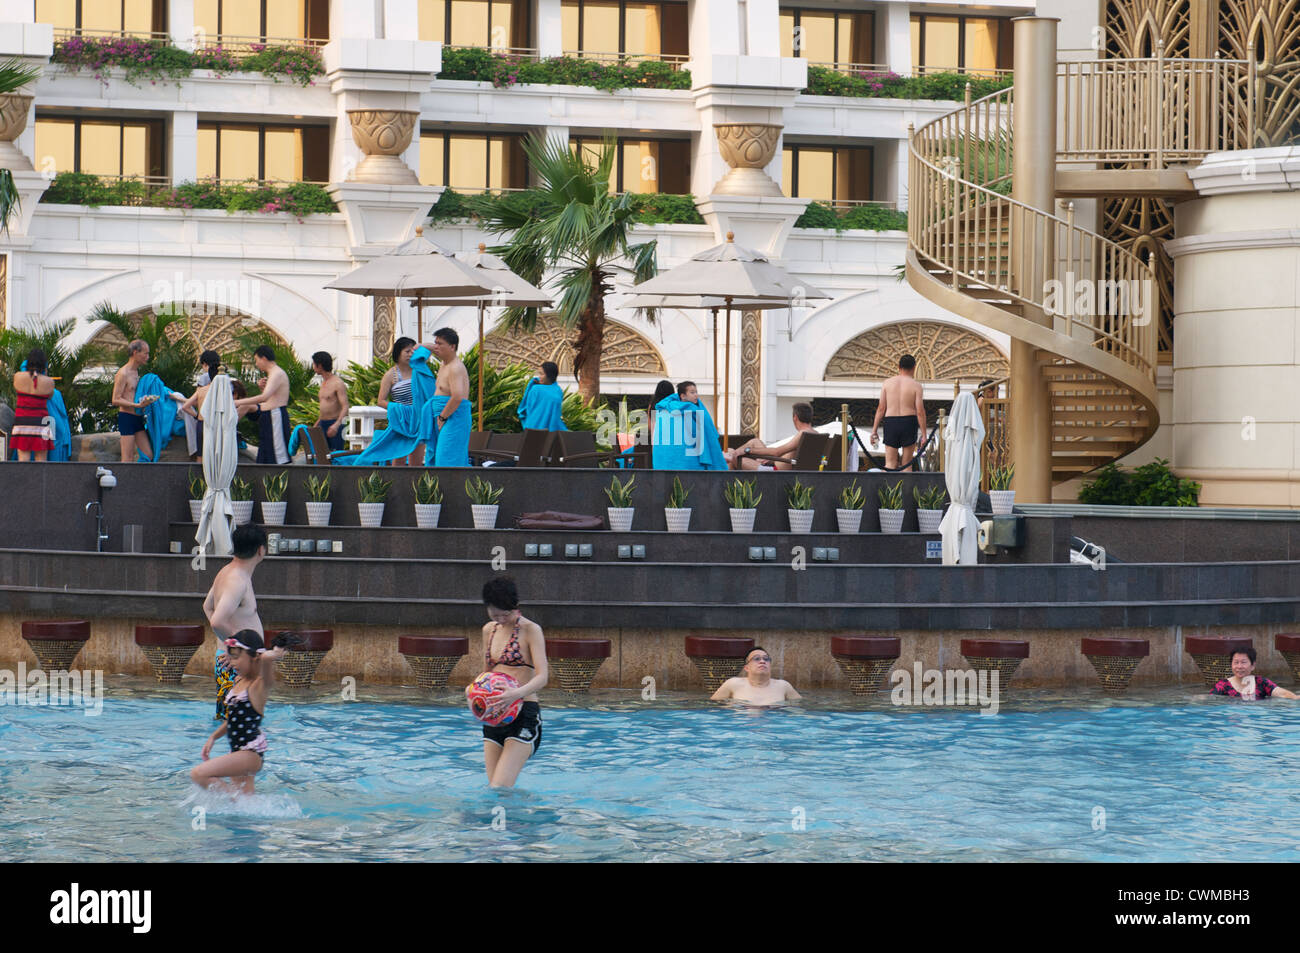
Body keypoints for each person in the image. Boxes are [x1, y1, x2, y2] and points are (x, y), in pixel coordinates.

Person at [469, 577, 549, 789]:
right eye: (495, 614)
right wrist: (472, 692)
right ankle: (519, 819)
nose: (502, 618)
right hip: (493, 716)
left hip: (524, 714)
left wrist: (515, 694)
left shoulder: (531, 630)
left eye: (506, 613)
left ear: (515, 607)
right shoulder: (489, 630)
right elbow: (486, 673)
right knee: (493, 789)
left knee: (500, 787)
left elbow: (543, 677)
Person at [190, 628, 289, 796]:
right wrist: (213, 737)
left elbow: (265, 662)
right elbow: (233, 719)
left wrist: (273, 654)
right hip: (237, 751)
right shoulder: (238, 681)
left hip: (250, 754)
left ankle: (237, 801)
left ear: (254, 656)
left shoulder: (259, 686)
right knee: (244, 804)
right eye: (231, 657)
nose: (233, 662)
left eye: (237, 657)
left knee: (198, 774)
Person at [203, 523, 269, 723]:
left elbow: (207, 606)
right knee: (238, 726)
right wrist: (237, 649)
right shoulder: (236, 580)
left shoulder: (227, 572)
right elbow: (217, 620)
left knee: (232, 725)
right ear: (261, 549)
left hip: (234, 662)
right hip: (235, 664)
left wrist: (231, 646)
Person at [234, 345, 291, 465]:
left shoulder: (277, 373)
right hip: (268, 416)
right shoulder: (273, 374)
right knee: (265, 456)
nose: (256, 363)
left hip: (275, 416)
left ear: (264, 358)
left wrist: (238, 402)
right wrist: (262, 388)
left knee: (277, 458)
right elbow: (269, 397)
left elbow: (264, 397)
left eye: (256, 360)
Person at [423, 327, 471, 466]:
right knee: (436, 457)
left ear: (452, 347)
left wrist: (442, 417)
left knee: (447, 459)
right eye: (435, 343)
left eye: (440, 344)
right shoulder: (445, 363)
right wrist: (422, 346)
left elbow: (457, 397)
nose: (435, 347)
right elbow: (428, 347)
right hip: (442, 416)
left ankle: (450, 488)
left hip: (452, 417)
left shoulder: (455, 367)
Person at [870, 354, 927, 470]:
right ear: (914, 367)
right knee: (907, 464)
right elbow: (920, 411)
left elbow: (881, 408)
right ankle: (907, 489)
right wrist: (924, 434)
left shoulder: (887, 383)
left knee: (890, 464)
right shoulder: (916, 386)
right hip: (908, 422)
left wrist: (874, 430)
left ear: (898, 367)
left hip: (891, 422)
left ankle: (887, 488)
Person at [725, 402, 818, 471]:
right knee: (755, 441)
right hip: (777, 463)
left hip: (774, 470)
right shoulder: (815, 434)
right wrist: (769, 459)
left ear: (795, 417)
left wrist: (748, 451)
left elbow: (776, 452)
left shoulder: (803, 434)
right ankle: (730, 454)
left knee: (734, 459)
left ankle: (728, 456)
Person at [112, 339, 160, 462]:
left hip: (137, 417)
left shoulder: (136, 372)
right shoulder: (123, 373)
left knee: (148, 454)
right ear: (135, 352)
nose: (147, 357)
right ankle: (125, 481)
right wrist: (136, 405)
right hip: (126, 417)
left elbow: (133, 394)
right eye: (145, 353)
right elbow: (115, 399)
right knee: (127, 458)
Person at [378, 337, 420, 465]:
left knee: (416, 460)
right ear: (398, 353)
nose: (410, 354)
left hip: (418, 420)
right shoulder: (391, 375)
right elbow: (380, 401)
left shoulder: (419, 372)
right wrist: (398, 409)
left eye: (413, 351)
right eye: (407, 351)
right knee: (399, 459)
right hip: (400, 421)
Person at [711, 647, 802, 705]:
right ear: (747, 668)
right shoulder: (733, 684)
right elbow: (712, 707)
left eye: (766, 659)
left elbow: (800, 708)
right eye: (757, 659)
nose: (762, 661)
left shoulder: (783, 686)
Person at [11, 348, 56, 462]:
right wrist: (45, 374)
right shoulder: (49, 382)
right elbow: (50, 396)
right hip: (42, 422)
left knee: (23, 460)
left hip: (22, 422)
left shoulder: (17, 377)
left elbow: (17, 389)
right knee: (41, 462)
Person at [1211, 647, 1299, 699]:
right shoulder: (1223, 685)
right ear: (1231, 665)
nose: (1239, 666)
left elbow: (1282, 693)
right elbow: (1210, 700)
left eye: (1243, 662)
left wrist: (1296, 698)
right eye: (1236, 662)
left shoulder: (1261, 682)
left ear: (1253, 665)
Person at [183, 351, 221, 459]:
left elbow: (192, 402)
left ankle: (197, 476)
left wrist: (196, 415)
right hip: (217, 421)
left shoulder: (203, 380)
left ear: (204, 364)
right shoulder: (225, 380)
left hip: (202, 420)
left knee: (200, 455)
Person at [312, 351, 350, 453]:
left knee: (335, 456)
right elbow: (325, 407)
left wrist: (336, 425)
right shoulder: (323, 383)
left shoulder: (337, 383)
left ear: (319, 365)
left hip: (334, 424)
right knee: (322, 456)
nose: (313, 366)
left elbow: (345, 406)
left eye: (314, 363)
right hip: (323, 424)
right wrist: (316, 425)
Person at [516, 360, 567, 432]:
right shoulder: (536, 389)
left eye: (541, 374)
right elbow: (529, 409)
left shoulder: (558, 390)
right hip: (535, 426)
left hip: (552, 428)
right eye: (539, 374)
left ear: (549, 375)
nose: (539, 377)